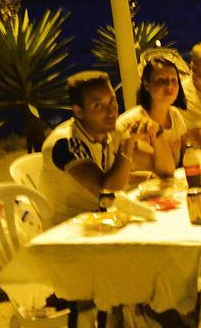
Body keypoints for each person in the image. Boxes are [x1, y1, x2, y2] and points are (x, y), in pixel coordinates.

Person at [39, 71, 151, 223]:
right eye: (98, 105)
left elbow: (158, 166)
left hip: (105, 221)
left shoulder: (113, 131)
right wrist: (127, 144)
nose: (111, 111)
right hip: (69, 232)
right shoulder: (66, 143)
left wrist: (155, 136)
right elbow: (106, 190)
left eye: (112, 101)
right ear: (78, 111)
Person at [115, 49, 187, 178]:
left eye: (173, 80)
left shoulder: (176, 116)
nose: (169, 86)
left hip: (171, 188)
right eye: (161, 81)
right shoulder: (131, 123)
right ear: (146, 84)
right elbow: (163, 171)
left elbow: (184, 160)